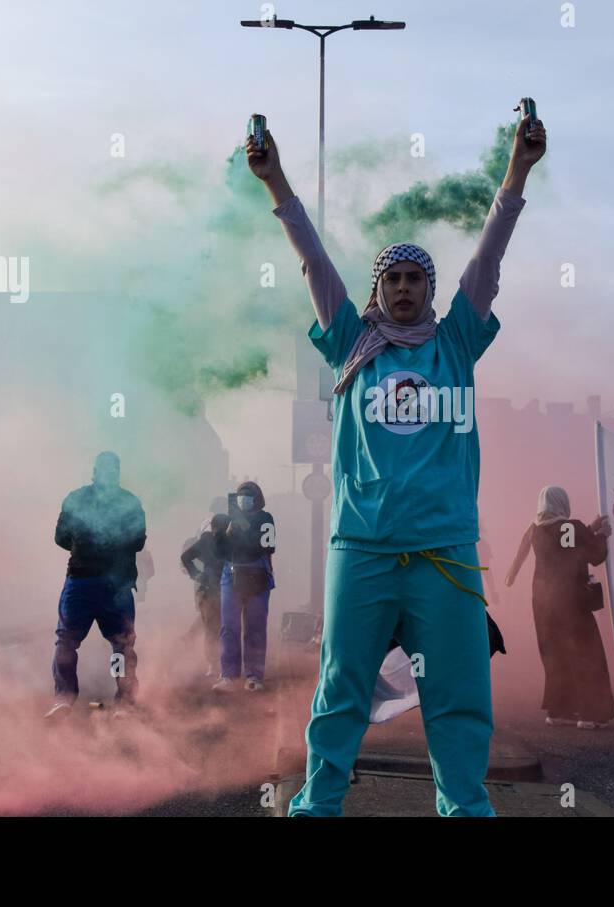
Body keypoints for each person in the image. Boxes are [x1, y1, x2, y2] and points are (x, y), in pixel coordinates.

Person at [248, 107, 545, 816]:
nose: (406, 288)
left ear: (432, 292)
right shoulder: (351, 342)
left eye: (417, 278)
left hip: (444, 552)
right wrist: (276, 181)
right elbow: (313, 262)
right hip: (365, 550)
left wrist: (518, 170)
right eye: (394, 279)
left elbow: (489, 261)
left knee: (459, 695)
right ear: (378, 291)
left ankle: (465, 807)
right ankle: (318, 806)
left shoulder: (457, 342)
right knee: (341, 688)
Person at [505, 486, 614, 729]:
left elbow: (563, 545)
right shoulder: (569, 527)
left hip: (544, 604)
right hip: (571, 603)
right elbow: (590, 555)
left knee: (556, 656)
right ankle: (590, 714)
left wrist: (588, 529)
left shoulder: (536, 529)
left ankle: (559, 711)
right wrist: (602, 535)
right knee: (586, 654)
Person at [47, 451, 147, 719]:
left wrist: (98, 544)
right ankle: (63, 698)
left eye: (113, 469)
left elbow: (138, 541)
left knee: (121, 645)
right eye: (105, 469)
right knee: (68, 640)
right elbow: (61, 537)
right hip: (84, 579)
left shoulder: (129, 502)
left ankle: (124, 701)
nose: (108, 473)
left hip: (112, 583)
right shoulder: (78, 499)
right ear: (95, 471)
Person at [212, 481, 276, 693]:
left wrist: (245, 527)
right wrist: (227, 532)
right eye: (241, 495)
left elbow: (267, 546)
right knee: (229, 626)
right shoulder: (225, 521)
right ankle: (228, 674)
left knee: (255, 627)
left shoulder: (265, 519)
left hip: (257, 574)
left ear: (257, 499)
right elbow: (219, 552)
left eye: (249, 495)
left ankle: (254, 675)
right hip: (231, 574)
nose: (244, 499)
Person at [181, 498, 228, 677]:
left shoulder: (206, 525)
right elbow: (190, 554)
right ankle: (213, 663)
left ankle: (192, 640)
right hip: (211, 583)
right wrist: (197, 574)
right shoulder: (211, 528)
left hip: (213, 582)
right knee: (212, 623)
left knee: (213, 621)